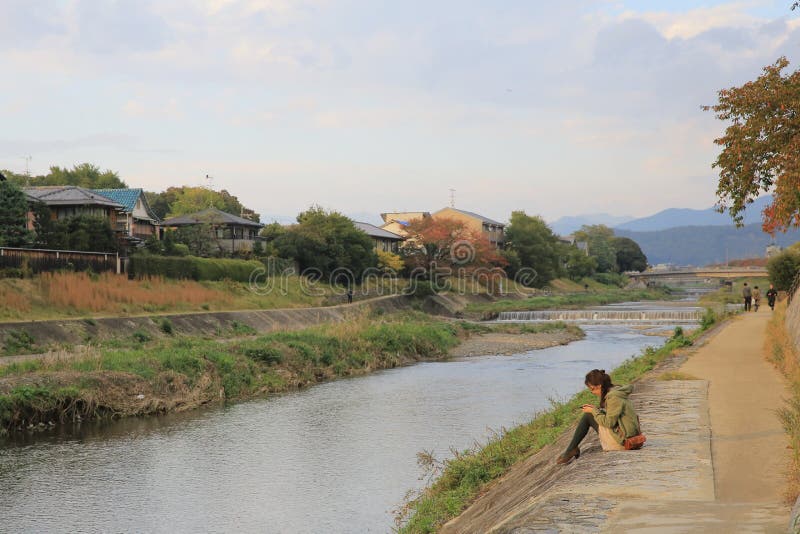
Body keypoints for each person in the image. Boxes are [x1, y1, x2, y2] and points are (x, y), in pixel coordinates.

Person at [557, 369, 641, 464]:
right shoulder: (617, 392)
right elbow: (614, 417)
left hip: (624, 443)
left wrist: (593, 411)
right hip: (629, 438)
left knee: (588, 416)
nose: (592, 392)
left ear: (599, 386)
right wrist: (597, 410)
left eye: (592, 389)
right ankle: (572, 449)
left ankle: (570, 450)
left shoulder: (613, 397)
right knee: (591, 413)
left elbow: (609, 423)